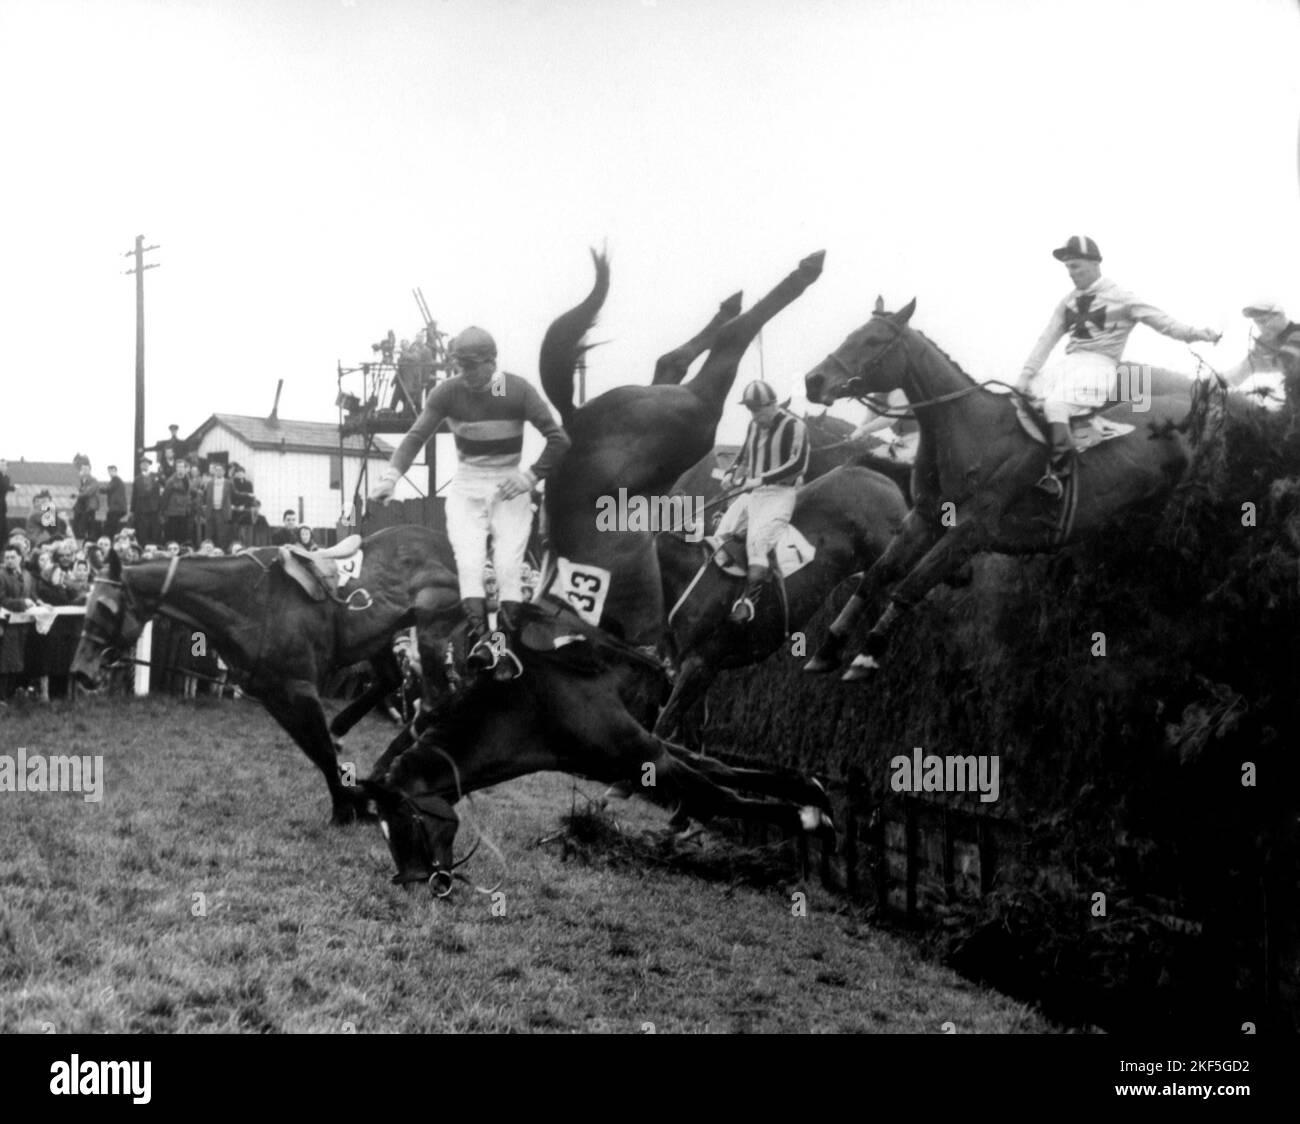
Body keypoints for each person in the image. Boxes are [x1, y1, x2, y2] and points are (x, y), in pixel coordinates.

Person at [369, 325, 570, 675]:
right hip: (466, 486)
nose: (465, 374)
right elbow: (416, 435)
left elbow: (559, 439)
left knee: (508, 568)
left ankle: (503, 644)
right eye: (459, 366)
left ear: (492, 363)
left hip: (508, 483)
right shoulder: (448, 392)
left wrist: (529, 477)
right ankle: (483, 642)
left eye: (471, 366)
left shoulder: (516, 389)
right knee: (469, 565)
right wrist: (390, 476)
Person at [1017, 235, 1220, 482]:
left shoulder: (1123, 297)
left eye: (1075, 266)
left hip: (1099, 367)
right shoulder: (1067, 302)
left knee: (1055, 405)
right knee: (1022, 401)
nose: (1070, 273)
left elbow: (1164, 324)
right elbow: (1046, 340)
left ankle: (1061, 471)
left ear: (1094, 263)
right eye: (1068, 267)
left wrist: (1197, 333)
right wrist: (1025, 376)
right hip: (1067, 365)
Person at [715, 380, 810, 625]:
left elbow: (797, 463)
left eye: (758, 410)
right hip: (753, 494)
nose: (755, 416)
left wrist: (759, 479)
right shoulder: (753, 425)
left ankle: (748, 601)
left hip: (780, 494)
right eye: (750, 410)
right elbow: (744, 455)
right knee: (721, 534)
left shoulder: (795, 426)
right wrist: (731, 473)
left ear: (773, 404)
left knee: (757, 541)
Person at [1223, 300, 1300, 409]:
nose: (1261, 326)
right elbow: (1246, 367)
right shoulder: (1265, 340)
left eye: (1264, 320)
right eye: (1257, 322)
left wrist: (1260, 359)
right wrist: (1220, 381)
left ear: (1279, 316)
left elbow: (1287, 361)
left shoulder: (1296, 332)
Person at [202, 461, 234, 550]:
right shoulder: (209, 483)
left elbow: (235, 495)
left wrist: (247, 497)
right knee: (209, 536)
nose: (218, 472)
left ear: (224, 472)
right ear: (214, 472)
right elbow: (204, 496)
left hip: (222, 513)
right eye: (216, 470)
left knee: (222, 536)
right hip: (211, 512)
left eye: (220, 470)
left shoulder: (228, 483)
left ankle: (221, 554)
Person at [131, 456, 161, 546]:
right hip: (142, 510)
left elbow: (162, 490)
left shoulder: (156, 477)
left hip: (154, 510)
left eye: (146, 463)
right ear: (140, 466)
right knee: (142, 532)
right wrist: (132, 511)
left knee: (154, 531)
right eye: (142, 463)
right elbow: (134, 496)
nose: (144, 465)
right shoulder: (137, 479)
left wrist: (160, 507)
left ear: (149, 465)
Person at [160, 460, 191, 546]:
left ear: (185, 469)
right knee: (172, 536)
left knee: (183, 536)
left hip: (184, 513)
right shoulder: (171, 481)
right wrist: (163, 511)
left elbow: (189, 493)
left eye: (182, 467)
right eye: (178, 467)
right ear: (176, 469)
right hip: (173, 513)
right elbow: (165, 497)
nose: (180, 469)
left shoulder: (187, 479)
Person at [72, 461, 100, 541]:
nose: (84, 471)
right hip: (81, 505)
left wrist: (77, 494)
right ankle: (78, 536)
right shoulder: (81, 480)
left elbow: (88, 492)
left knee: (88, 523)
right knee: (77, 521)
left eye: (86, 469)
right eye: (82, 469)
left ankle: (87, 538)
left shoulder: (94, 480)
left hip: (89, 505)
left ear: (90, 470)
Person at [102, 465, 128, 537]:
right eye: (109, 471)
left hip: (116, 508)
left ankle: (111, 538)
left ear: (115, 471)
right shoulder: (116, 480)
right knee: (112, 525)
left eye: (112, 471)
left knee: (111, 526)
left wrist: (98, 489)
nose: (110, 473)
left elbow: (108, 489)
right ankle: (112, 538)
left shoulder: (116, 480)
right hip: (118, 508)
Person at [0, 458, 13, 538]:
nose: (1, 466)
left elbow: (5, 487)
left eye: (3, 465)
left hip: (2, 504)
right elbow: (3, 487)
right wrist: (13, 488)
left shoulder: (7, 478)